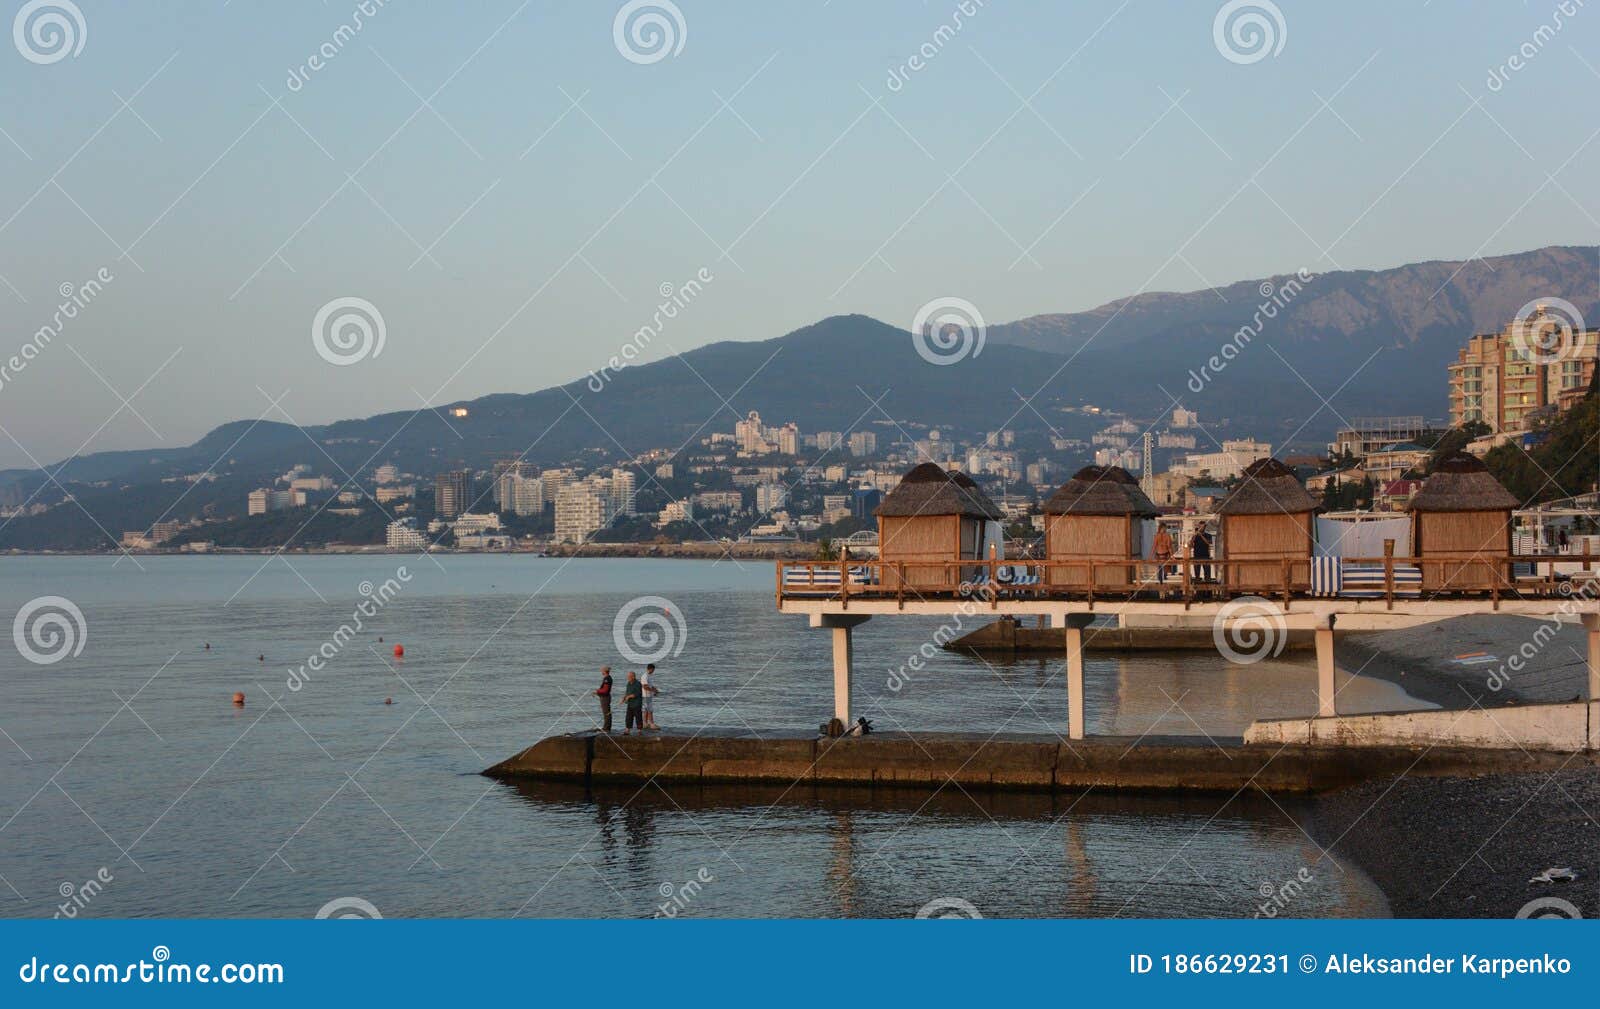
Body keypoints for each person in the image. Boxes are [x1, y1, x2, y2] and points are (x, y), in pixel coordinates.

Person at [621, 670, 644, 735]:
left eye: (629, 676)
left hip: (637, 704)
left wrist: (629, 696)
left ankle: (639, 730)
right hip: (630, 704)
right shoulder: (628, 683)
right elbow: (627, 693)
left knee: (638, 717)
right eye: (628, 676)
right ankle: (627, 730)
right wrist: (624, 698)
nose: (628, 678)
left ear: (633, 677)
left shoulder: (638, 684)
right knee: (628, 717)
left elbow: (638, 693)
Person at [641, 663, 660, 730]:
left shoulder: (649, 675)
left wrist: (655, 689)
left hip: (649, 695)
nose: (653, 671)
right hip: (645, 696)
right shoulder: (645, 676)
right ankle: (651, 724)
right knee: (650, 710)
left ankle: (645, 724)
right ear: (650, 669)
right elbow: (645, 686)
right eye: (653, 670)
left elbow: (650, 686)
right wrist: (653, 691)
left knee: (646, 710)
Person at [594, 666, 614, 732]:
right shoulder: (607, 678)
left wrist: (597, 691)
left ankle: (606, 728)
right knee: (606, 712)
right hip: (605, 697)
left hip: (605, 697)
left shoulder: (607, 679)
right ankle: (606, 727)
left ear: (604, 671)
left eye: (602, 670)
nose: (601, 671)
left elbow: (605, 690)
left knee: (606, 712)